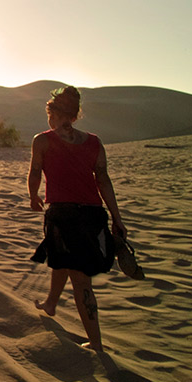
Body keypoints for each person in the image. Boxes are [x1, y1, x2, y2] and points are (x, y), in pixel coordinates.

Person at [27, 86, 126, 353]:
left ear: (53, 112)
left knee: (81, 280)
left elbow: (35, 170)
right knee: (62, 260)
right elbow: (103, 180)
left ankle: (96, 345)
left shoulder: (43, 140)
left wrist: (33, 195)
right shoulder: (94, 141)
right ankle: (51, 303)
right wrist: (117, 217)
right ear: (76, 114)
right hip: (93, 216)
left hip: (64, 216)